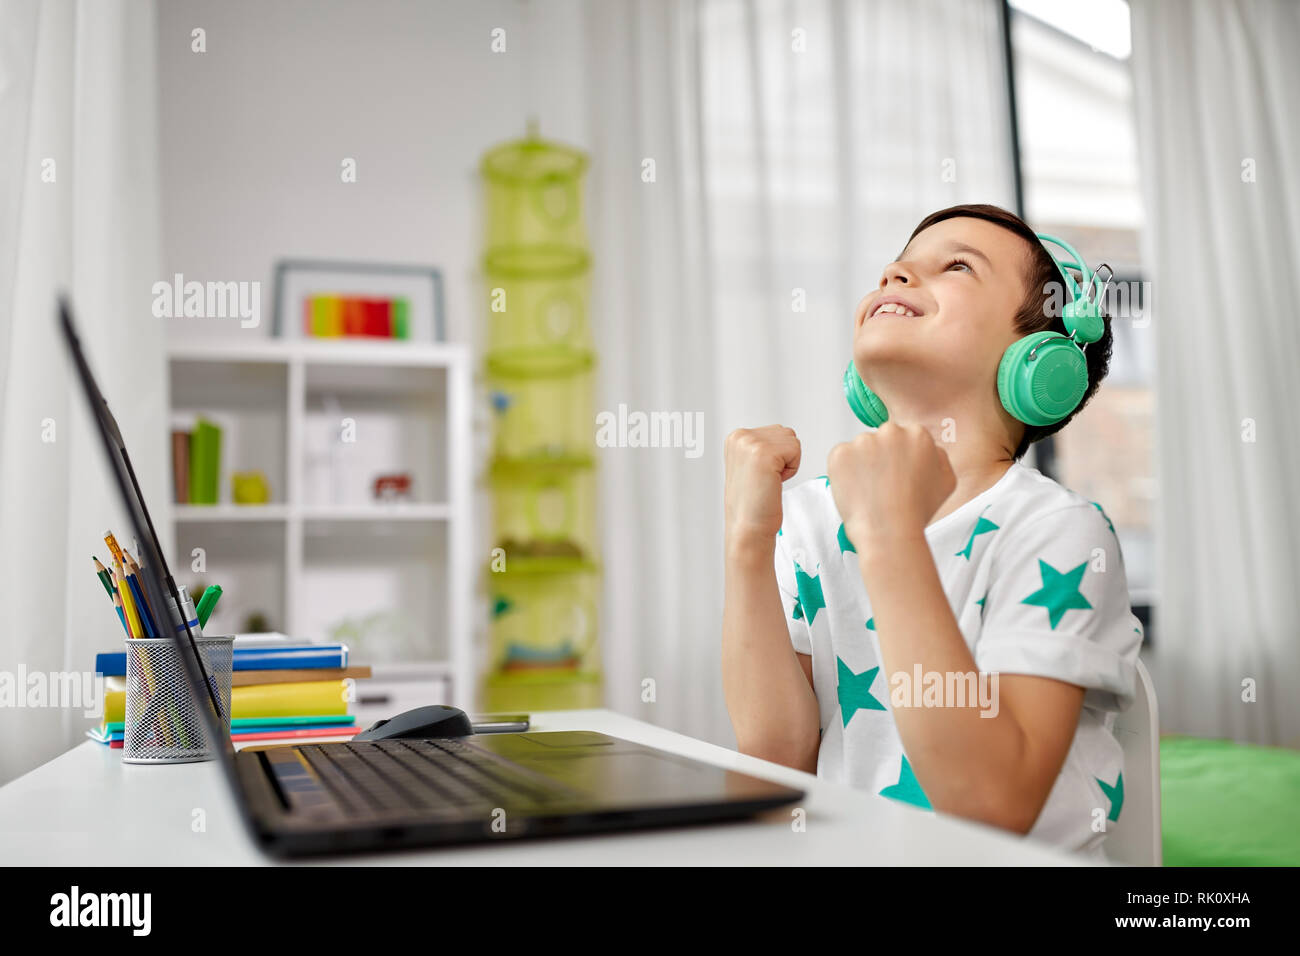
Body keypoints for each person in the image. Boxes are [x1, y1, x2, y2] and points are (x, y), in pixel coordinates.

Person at [722, 203, 1142, 858]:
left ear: (1039, 360)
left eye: (954, 266)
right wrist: (749, 540)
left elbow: (990, 805)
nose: (895, 274)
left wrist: (889, 534)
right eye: (895, 267)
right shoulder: (808, 520)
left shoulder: (1058, 532)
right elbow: (776, 765)